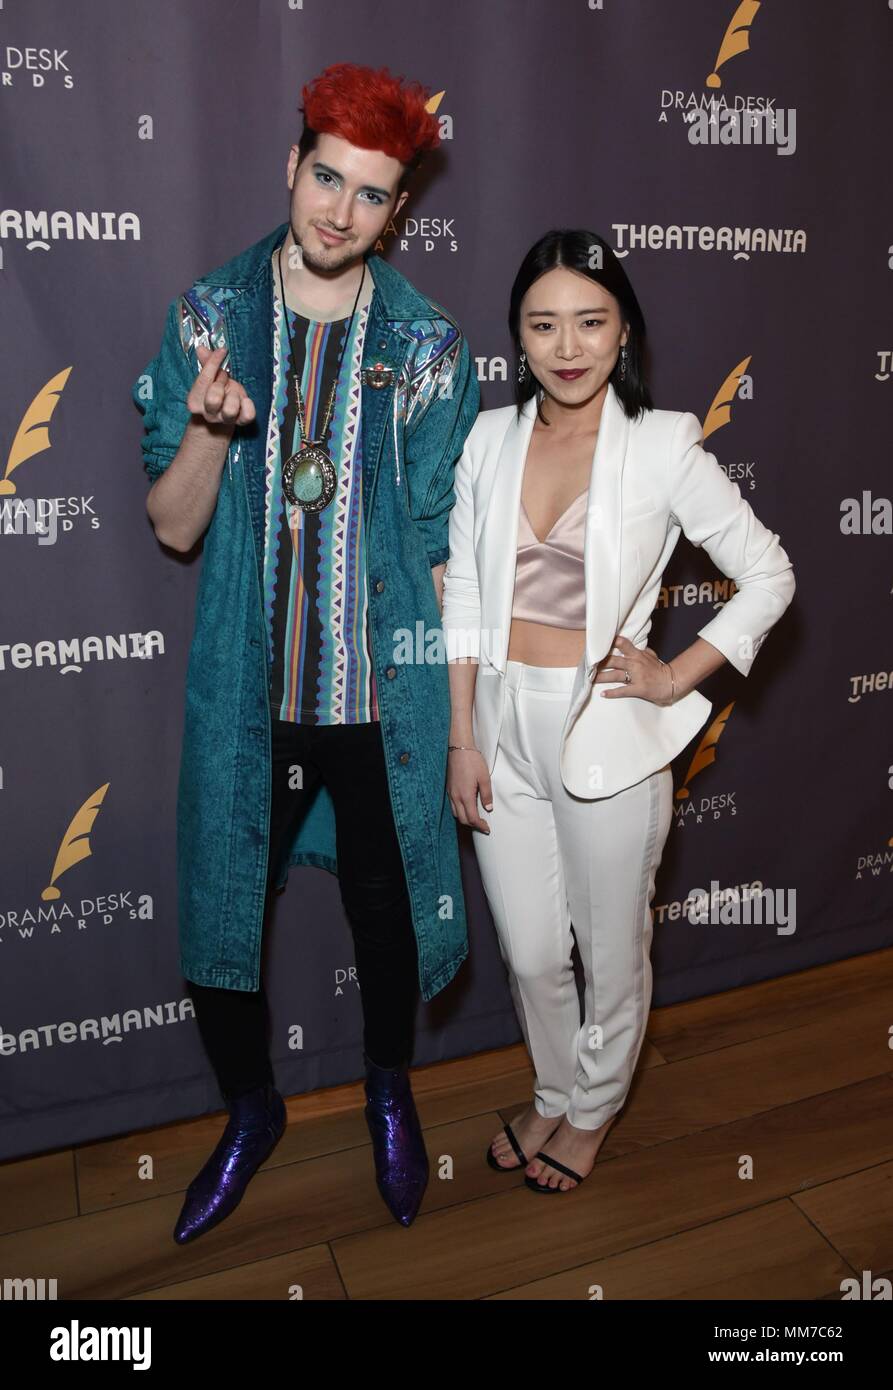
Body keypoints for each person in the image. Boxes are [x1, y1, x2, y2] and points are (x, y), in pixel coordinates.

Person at [131, 63, 479, 1240]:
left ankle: (389, 1088)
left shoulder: (430, 347)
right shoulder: (206, 319)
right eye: (325, 176)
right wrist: (210, 434)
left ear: (397, 212)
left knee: (386, 912)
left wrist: (458, 724)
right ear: (291, 166)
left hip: (380, 699)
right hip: (248, 696)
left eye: (370, 195)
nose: (338, 211)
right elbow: (174, 525)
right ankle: (250, 1111)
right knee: (222, 914)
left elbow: (438, 558)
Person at [442, 228, 795, 1194]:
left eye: (590, 322)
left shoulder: (663, 442)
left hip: (606, 733)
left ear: (623, 332)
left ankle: (590, 1111)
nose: (567, 346)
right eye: (543, 324)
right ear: (516, 337)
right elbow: (466, 601)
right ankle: (553, 1086)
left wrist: (678, 676)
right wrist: (462, 735)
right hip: (501, 723)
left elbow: (768, 572)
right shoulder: (486, 438)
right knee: (525, 947)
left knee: (610, 951)